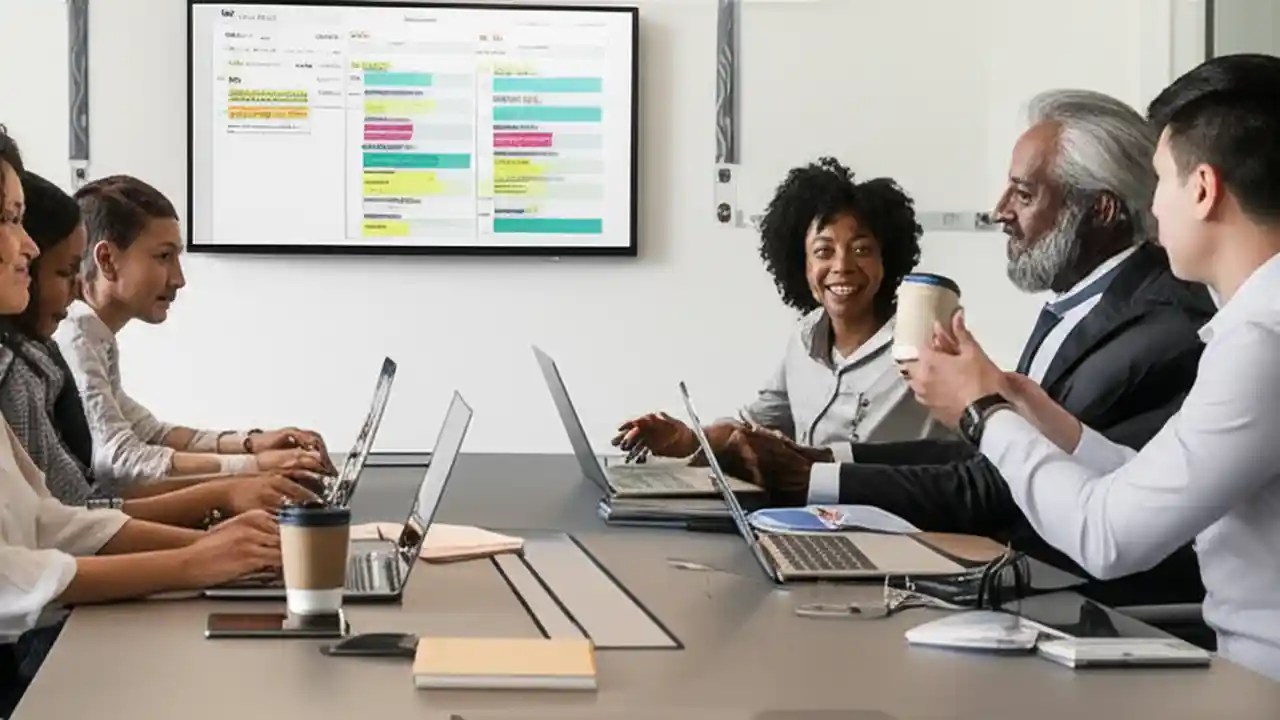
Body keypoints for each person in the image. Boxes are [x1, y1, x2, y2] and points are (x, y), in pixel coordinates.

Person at [696, 91, 1215, 609]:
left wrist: (815, 478)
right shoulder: (1078, 306)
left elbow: (998, 482)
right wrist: (822, 460)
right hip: (1010, 576)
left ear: (1099, 209)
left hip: (1077, 604)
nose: (1000, 212)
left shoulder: (1163, 328)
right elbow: (987, 457)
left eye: (1024, 194)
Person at [904, 54, 1280, 681]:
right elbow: (1156, 491)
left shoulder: (1261, 345)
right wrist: (1033, 410)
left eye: (1159, 181)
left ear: (1204, 188)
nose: (1151, 208)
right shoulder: (1256, 329)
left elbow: (1108, 538)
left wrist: (982, 414)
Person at [0, 125, 282, 716]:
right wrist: (200, 548)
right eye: (8, 220)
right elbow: (104, 480)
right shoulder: (32, 362)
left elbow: (53, 519)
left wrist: (218, 534)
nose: (27, 246)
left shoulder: (43, 356)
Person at [4, 169, 319, 524]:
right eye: (164, 256)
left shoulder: (91, 337)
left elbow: (147, 432)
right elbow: (115, 462)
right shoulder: (69, 339)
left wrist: (251, 445)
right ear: (107, 260)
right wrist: (245, 473)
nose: (179, 279)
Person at [613, 158, 945, 486]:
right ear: (800, 264)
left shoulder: (924, 343)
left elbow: (966, 457)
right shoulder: (804, 338)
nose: (842, 266)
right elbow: (751, 427)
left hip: (893, 524)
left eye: (861, 250)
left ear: (886, 261)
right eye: (823, 251)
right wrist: (686, 438)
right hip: (807, 519)